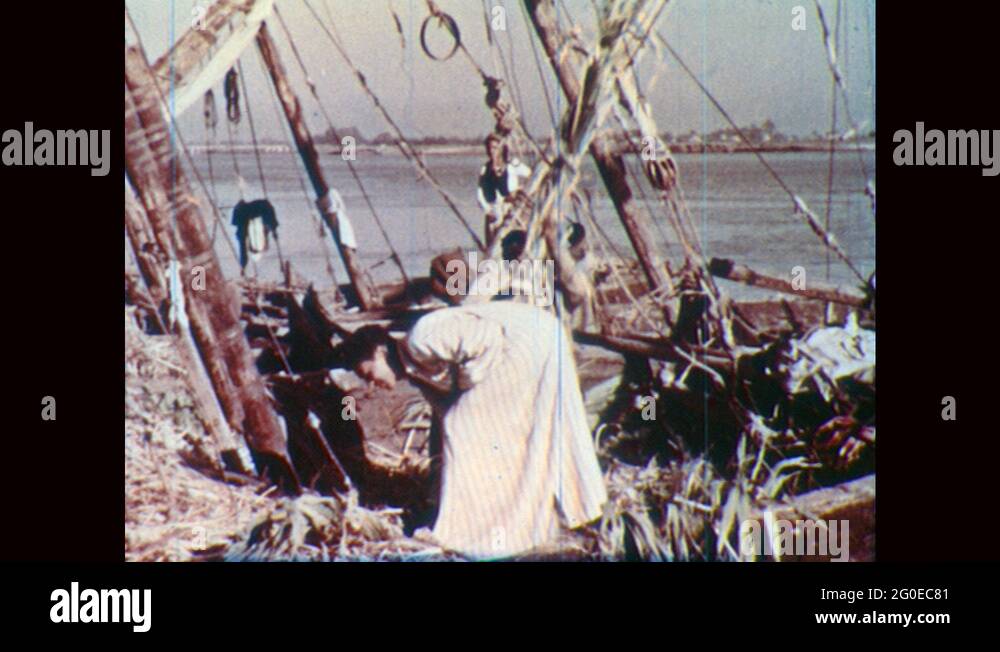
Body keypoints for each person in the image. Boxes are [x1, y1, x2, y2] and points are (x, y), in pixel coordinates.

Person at [343, 301, 608, 559]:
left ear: (379, 352)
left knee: (466, 425)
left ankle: (476, 529)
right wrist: (439, 489)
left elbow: (487, 336)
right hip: (537, 341)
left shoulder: (421, 338)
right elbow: (444, 416)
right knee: (486, 429)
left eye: (367, 373)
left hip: (528, 341)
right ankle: (503, 515)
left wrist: (467, 382)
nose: (370, 384)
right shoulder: (415, 369)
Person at [231, 198, 279, 273]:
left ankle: (243, 266)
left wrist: (273, 231)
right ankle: (243, 266)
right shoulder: (241, 211)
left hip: (252, 210)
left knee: (242, 239)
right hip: (244, 212)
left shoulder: (265, 208)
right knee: (242, 239)